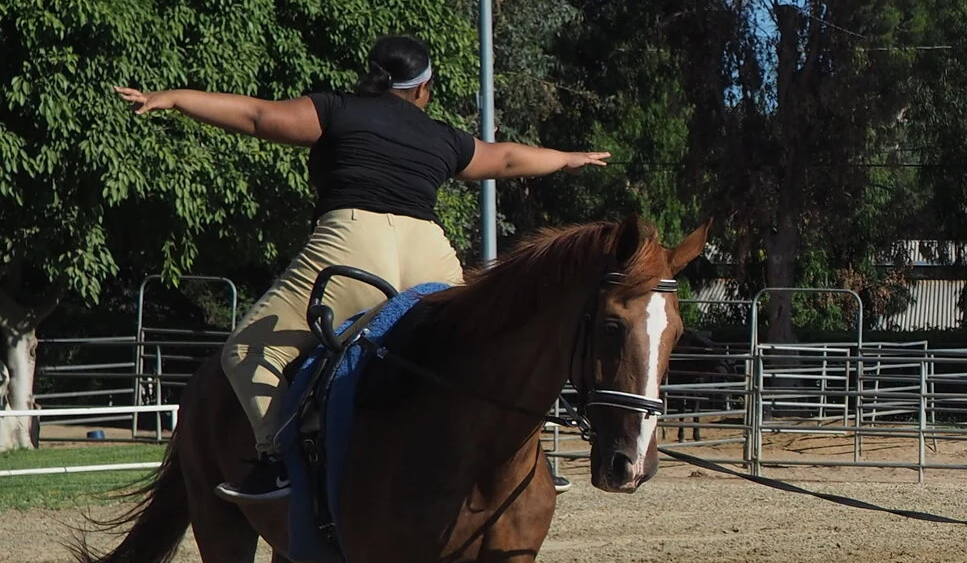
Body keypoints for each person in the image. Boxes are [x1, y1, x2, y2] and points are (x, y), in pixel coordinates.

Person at [116, 35, 608, 501]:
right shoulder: (441, 135)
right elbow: (503, 159)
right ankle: (500, 464)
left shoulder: (337, 110)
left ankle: (276, 463)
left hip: (352, 245)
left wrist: (177, 97)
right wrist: (567, 158)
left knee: (247, 352)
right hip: (427, 252)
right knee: (476, 349)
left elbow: (258, 115)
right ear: (423, 88)